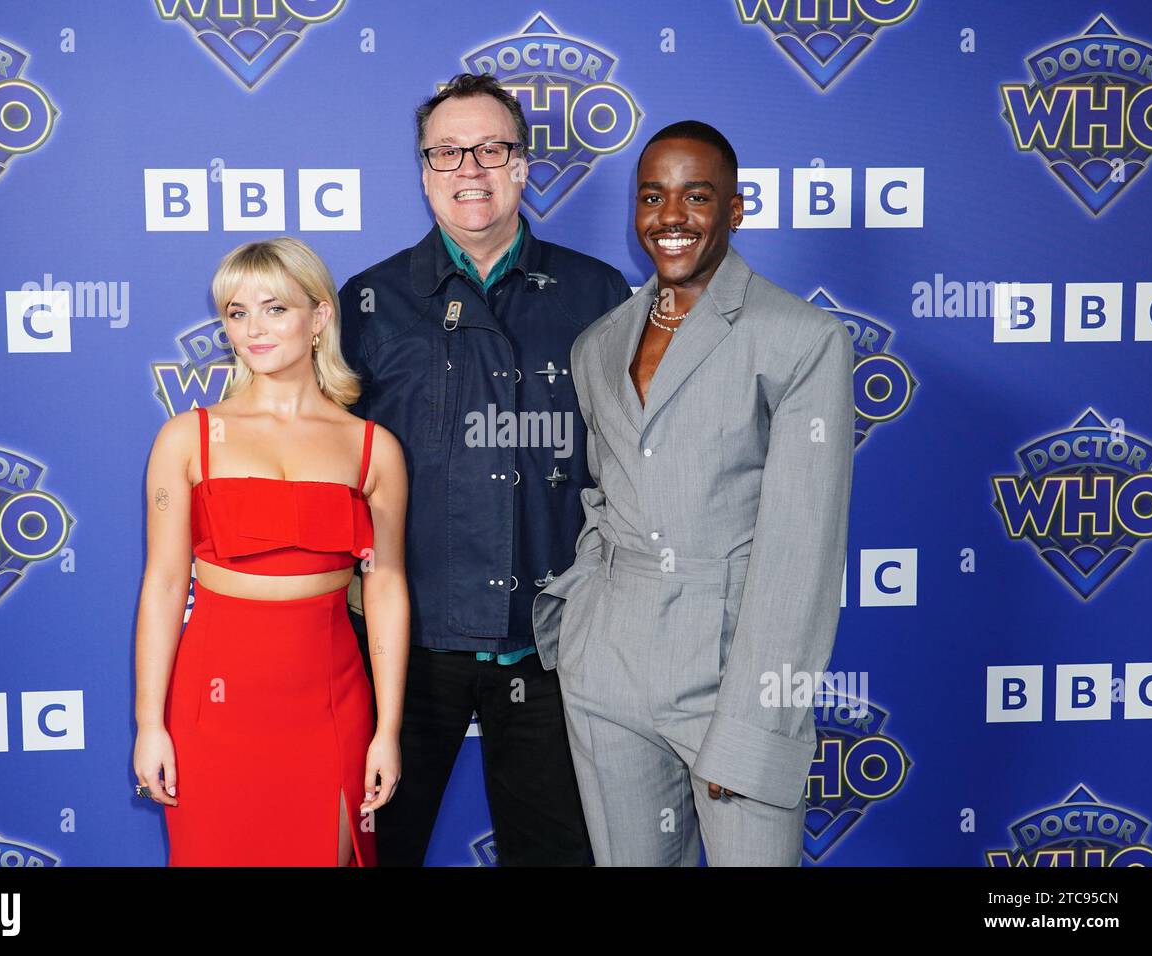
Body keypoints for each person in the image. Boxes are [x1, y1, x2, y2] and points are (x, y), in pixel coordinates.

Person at [533, 121, 855, 866]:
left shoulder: (801, 339)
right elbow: (604, 495)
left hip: (729, 674)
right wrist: (583, 630)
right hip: (606, 667)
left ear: (735, 210)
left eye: (695, 195)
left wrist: (750, 726)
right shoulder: (601, 342)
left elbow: (800, 556)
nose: (670, 216)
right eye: (652, 196)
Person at [337, 73, 632, 866]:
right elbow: (333, 473)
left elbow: (633, 464)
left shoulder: (598, 293)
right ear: (423, 171)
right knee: (374, 848)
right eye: (447, 152)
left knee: (560, 854)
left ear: (524, 165)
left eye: (493, 149)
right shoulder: (369, 302)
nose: (471, 169)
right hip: (407, 645)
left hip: (551, 645)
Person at [132, 237, 409, 866]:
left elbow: (387, 587)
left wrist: (386, 731)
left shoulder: (372, 449)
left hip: (330, 706)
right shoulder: (187, 438)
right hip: (214, 710)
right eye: (236, 312)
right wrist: (151, 724)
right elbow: (165, 585)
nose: (253, 328)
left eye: (274, 308)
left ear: (319, 317)